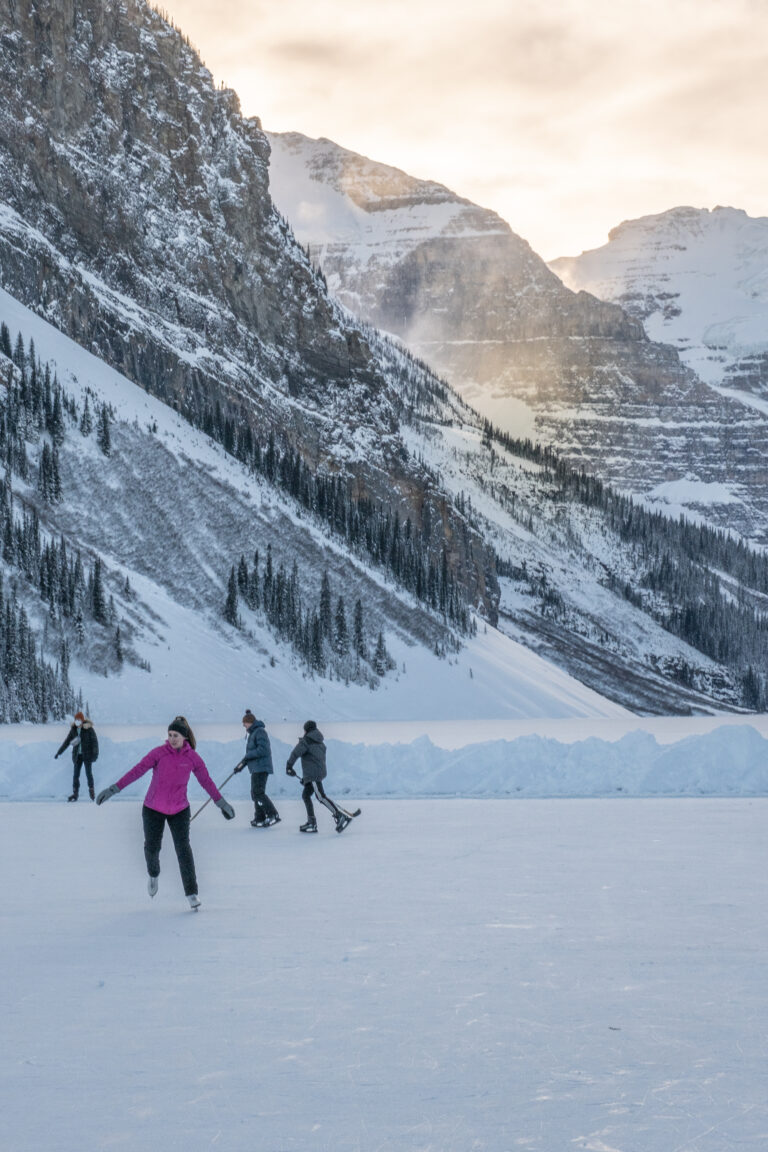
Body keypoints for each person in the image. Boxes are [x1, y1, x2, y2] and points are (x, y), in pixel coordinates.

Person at [96, 716, 234, 910]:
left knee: (183, 850)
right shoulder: (159, 753)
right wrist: (114, 789)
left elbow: (206, 782)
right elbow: (137, 771)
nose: (172, 739)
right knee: (152, 849)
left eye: (176, 735)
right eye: (170, 735)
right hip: (153, 809)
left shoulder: (192, 758)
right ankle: (153, 874)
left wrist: (221, 803)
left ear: (185, 737)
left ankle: (192, 893)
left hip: (179, 810)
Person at [286, 720, 352, 834]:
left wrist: (289, 766)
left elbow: (295, 753)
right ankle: (311, 822)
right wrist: (307, 779)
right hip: (317, 773)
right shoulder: (320, 742)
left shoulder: (306, 741)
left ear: (306, 730)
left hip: (313, 775)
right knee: (306, 795)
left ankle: (339, 815)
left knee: (321, 796)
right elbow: (314, 759)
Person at [233, 709, 280, 827]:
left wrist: (248, 756)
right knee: (255, 793)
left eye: (244, 723)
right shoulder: (254, 733)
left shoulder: (260, 732)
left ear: (250, 722)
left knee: (258, 793)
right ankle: (260, 817)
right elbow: (250, 756)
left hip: (261, 767)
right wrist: (240, 766)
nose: (243, 725)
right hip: (257, 768)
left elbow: (263, 750)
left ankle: (273, 814)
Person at [55, 711, 99, 802]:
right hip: (77, 756)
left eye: (79, 720)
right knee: (75, 775)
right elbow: (67, 742)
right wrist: (59, 752)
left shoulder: (89, 729)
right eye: (76, 720)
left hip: (87, 755)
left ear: (82, 720)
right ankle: (75, 794)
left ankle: (91, 791)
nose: (77, 721)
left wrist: (95, 755)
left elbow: (95, 742)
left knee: (88, 774)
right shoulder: (73, 730)